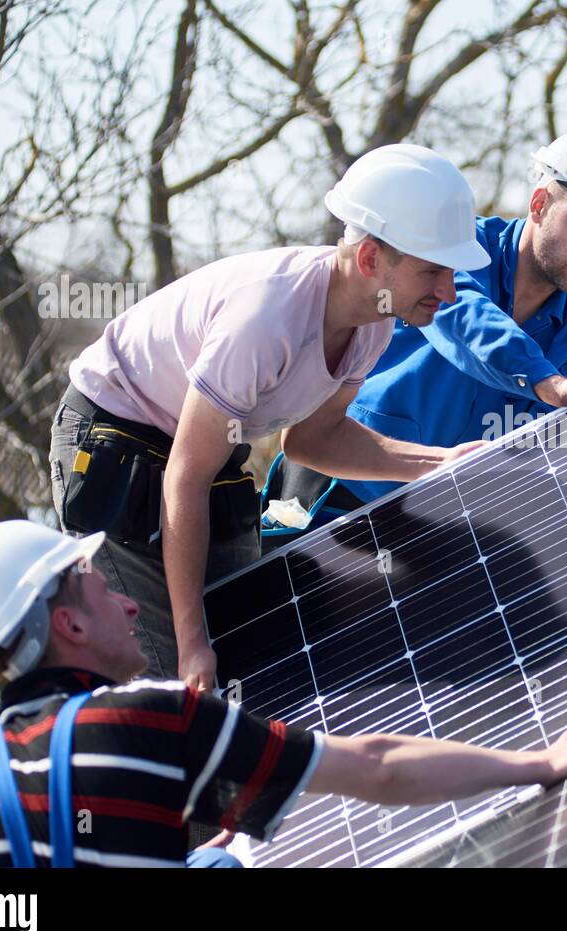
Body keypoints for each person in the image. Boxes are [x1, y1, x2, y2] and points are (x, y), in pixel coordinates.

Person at [0, 520, 567, 868]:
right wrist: (542, 764)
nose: (131, 603)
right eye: (100, 584)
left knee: (222, 857)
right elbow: (379, 767)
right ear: (69, 622)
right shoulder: (147, 718)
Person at [52, 144, 492, 692]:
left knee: (246, 645)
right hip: (116, 443)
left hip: (202, 453)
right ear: (370, 259)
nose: (447, 291)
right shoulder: (267, 318)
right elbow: (185, 477)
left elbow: (313, 439)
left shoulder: (373, 320)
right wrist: (191, 646)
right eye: (432, 271)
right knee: (179, 679)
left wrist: (439, 463)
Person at [264, 127, 567, 535]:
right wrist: (548, 383)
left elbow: (543, 446)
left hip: (437, 521)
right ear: (539, 204)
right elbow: (460, 314)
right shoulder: (456, 248)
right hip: (335, 486)